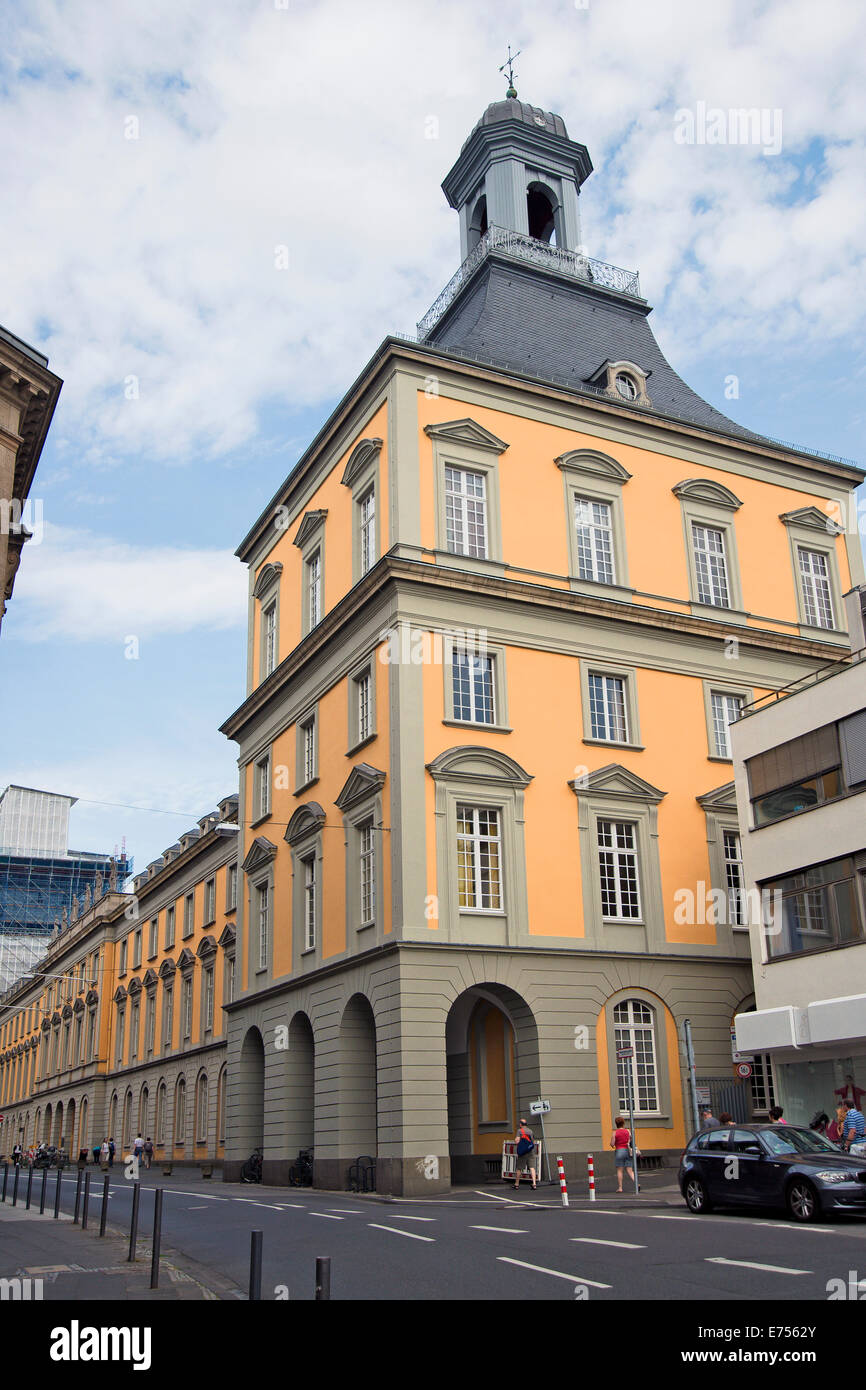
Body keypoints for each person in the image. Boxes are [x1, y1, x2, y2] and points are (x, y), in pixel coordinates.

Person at [611, 1116, 636, 1193]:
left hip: (619, 1151)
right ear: (623, 1123)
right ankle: (636, 1183)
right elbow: (631, 1140)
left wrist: (614, 1144)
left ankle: (620, 1188)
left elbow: (612, 1144)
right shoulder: (628, 1131)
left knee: (620, 1170)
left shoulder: (615, 1133)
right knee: (630, 1170)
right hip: (628, 1151)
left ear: (616, 1124)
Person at [513, 1118, 536, 1191]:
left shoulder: (519, 1131)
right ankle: (534, 1184)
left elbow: (517, 1141)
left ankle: (516, 1184)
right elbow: (533, 1142)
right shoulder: (530, 1131)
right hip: (530, 1151)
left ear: (520, 1124)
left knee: (519, 1168)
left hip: (523, 1152)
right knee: (532, 1167)